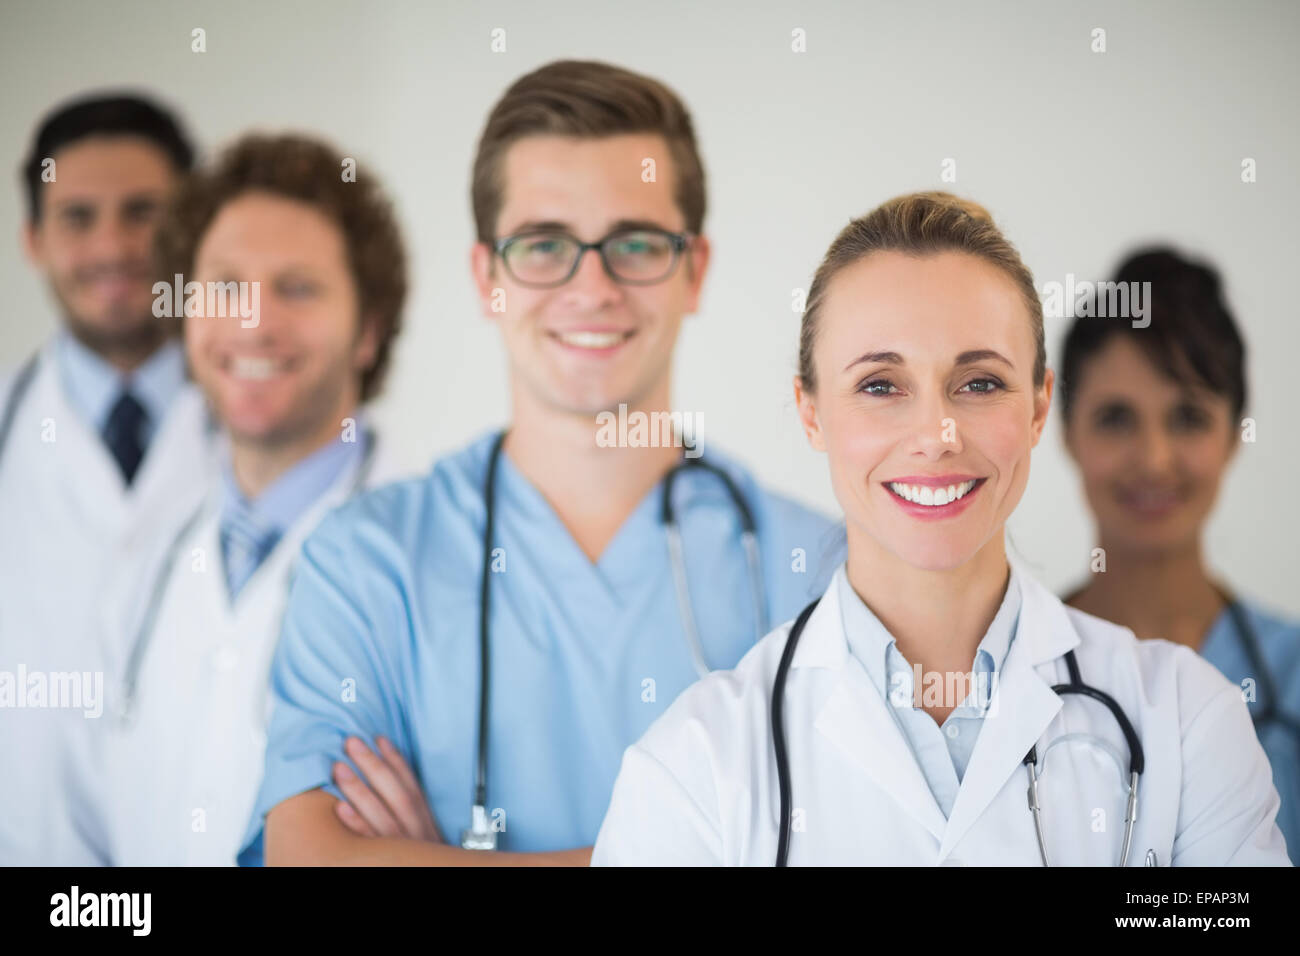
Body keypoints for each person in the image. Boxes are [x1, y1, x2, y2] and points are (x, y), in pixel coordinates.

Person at [239, 59, 843, 866]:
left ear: (694, 270)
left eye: (634, 243)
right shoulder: (365, 561)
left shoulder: (814, 571)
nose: (591, 287)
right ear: (486, 276)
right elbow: (310, 861)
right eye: (544, 244)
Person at [591, 192, 1290, 866]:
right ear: (809, 412)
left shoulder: (1188, 722)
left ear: (1041, 406)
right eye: (880, 386)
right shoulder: (690, 767)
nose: (936, 435)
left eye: (980, 383)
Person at [95, 133, 413, 865]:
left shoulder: (431, 566)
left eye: (297, 287)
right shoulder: (142, 563)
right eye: (226, 285)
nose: (253, 322)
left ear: (368, 331)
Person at [0, 93, 213, 865]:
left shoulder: (264, 425)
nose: (113, 246)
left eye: (143, 212)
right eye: (78, 217)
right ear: (32, 240)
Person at [1058, 248, 1299, 859]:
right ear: (1063, 430)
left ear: (1234, 433)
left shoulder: (1291, 677)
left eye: (1188, 417)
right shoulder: (1007, 672)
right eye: (1117, 418)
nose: (1154, 459)